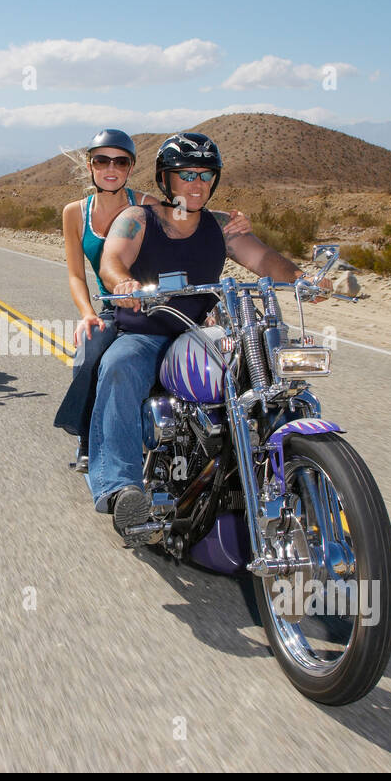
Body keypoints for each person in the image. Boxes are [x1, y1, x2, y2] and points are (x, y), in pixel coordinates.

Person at [87, 132, 326, 547]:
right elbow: (112, 258)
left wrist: (302, 277)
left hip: (202, 334)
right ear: (166, 179)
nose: (195, 184)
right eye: (185, 175)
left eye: (203, 175)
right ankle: (120, 487)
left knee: (262, 376)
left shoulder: (219, 227)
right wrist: (123, 281)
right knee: (119, 368)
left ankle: (283, 477)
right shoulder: (139, 219)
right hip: (147, 332)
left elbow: (263, 258)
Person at [52, 130, 156, 471]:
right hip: (114, 306)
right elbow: (76, 275)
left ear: (130, 167)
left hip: (157, 303)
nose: (111, 168)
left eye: (120, 161)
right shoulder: (74, 213)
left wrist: (233, 224)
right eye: (102, 160)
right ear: (90, 165)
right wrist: (86, 313)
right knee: (89, 353)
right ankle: (88, 439)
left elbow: (191, 224)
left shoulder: (148, 205)